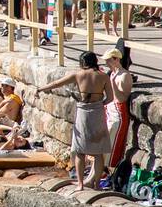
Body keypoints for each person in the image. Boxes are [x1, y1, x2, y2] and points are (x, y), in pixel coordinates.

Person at [36, 51, 113, 189]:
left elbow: (56, 83)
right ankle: (96, 184)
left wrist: (41, 89)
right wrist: (99, 104)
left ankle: (80, 183)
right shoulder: (103, 76)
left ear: (83, 62)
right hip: (98, 112)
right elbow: (110, 98)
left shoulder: (78, 74)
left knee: (80, 150)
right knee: (98, 152)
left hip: (83, 112)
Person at [104, 48, 133, 172]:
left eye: (109, 61)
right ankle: (102, 168)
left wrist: (112, 84)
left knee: (113, 143)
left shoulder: (124, 75)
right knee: (105, 141)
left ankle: (110, 169)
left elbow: (122, 97)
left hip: (119, 110)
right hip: (110, 108)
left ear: (116, 59)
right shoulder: (112, 73)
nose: (106, 64)